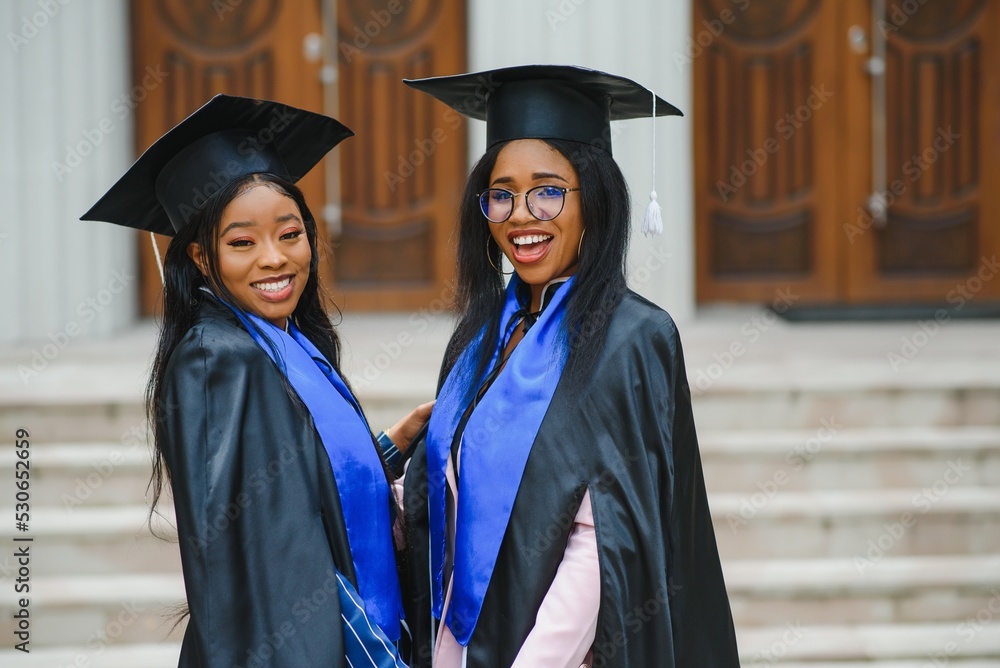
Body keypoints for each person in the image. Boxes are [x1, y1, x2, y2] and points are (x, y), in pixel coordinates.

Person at [399, 66, 740, 667]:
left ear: (595, 198)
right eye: (501, 194)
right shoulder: (477, 337)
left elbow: (605, 538)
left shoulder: (633, 337)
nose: (521, 215)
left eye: (549, 190)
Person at [82, 94, 431, 667]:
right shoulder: (218, 360)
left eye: (290, 234)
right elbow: (267, 556)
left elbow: (292, 486)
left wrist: (388, 448)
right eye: (242, 243)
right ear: (199, 256)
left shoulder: (284, 340)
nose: (275, 259)